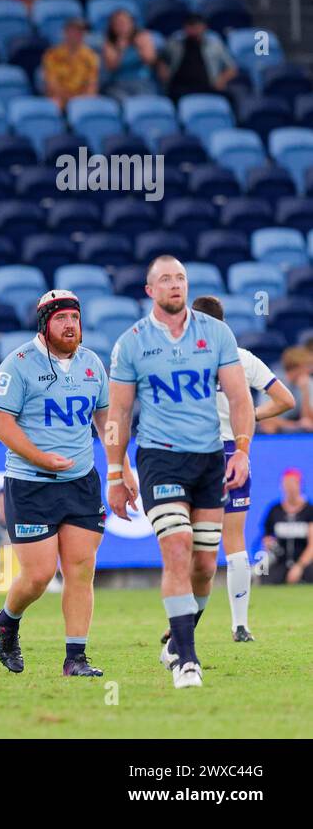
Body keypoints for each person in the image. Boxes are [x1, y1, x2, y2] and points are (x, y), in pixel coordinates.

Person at [105, 255, 255, 689]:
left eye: (181, 278)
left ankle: (177, 637)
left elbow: (241, 401)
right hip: (160, 458)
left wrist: (241, 451)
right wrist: (116, 473)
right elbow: (118, 413)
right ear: (150, 290)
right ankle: (187, 661)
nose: (175, 285)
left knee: (206, 566)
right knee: (177, 547)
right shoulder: (131, 343)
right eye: (165, 279)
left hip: (209, 459)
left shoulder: (217, 334)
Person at [0, 290, 109, 677]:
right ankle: (8, 621)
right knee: (39, 576)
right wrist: (40, 458)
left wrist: (120, 467)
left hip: (81, 482)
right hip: (31, 483)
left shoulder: (93, 364)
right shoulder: (18, 365)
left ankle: (76, 658)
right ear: (44, 325)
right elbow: (0, 423)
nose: (70, 325)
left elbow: (106, 421)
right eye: (61, 319)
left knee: (80, 570)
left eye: (75, 317)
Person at [188, 295, 295, 641]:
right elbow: (286, 401)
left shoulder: (184, 358)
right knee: (234, 543)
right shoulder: (242, 358)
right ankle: (240, 625)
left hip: (195, 453)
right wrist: (249, 418)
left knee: (188, 545)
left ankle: (181, 621)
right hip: (235, 451)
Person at [158, 13, 238, 102]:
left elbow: (232, 68)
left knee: (230, 98)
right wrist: (163, 69)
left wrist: (221, 80)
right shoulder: (175, 43)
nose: (193, 30)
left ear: (204, 27)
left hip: (207, 86)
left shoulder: (215, 44)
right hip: (180, 87)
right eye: (190, 26)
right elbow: (161, 58)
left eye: (197, 26)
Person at [259, 469, 313, 584]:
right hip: (281, 562)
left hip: (306, 563)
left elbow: (312, 545)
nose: (290, 488)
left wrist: (299, 566)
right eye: (286, 485)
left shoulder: (310, 511)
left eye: (293, 484)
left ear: (300, 485)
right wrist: (269, 544)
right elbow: (267, 536)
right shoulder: (275, 510)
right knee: (266, 577)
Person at [42, 17, 99, 111]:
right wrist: (70, 99)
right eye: (74, 31)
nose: (77, 35)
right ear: (65, 32)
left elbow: (92, 85)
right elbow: (52, 85)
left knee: (96, 105)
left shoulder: (91, 56)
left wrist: (80, 100)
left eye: (80, 32)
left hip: (82, 98)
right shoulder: (52, 55)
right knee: (54, 104)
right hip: (60, 97)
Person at [101, 8, 158, 99]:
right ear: (112, 27)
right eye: (118, 24)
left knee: (145, 101)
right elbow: (111, 67)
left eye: (125, 22)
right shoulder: (109, 42)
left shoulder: (143, 36)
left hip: (142, 82)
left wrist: (141, 47)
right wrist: (120, 50)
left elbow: (151, 60)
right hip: (118, 84)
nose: (122, 26)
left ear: (132, 23)